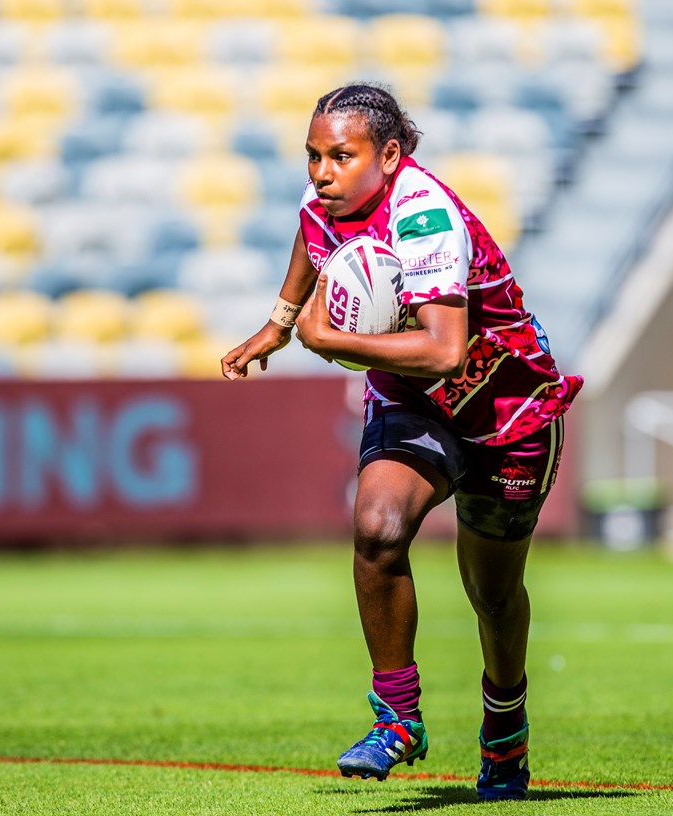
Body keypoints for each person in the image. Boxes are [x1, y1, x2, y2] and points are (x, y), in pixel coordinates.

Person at [220, 83, 582, 800]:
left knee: (493, 593)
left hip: (508, 412)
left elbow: (447, 352)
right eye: (314, 155)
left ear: (389, 155)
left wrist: (328, 341)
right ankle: (397, 718)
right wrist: (282, 319)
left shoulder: (423, 217)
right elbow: (308, 237)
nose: (321, 172)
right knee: (378, 528)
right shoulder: (322, 199)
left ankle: (505, 731)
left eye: (341, 156)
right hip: (413, 400)